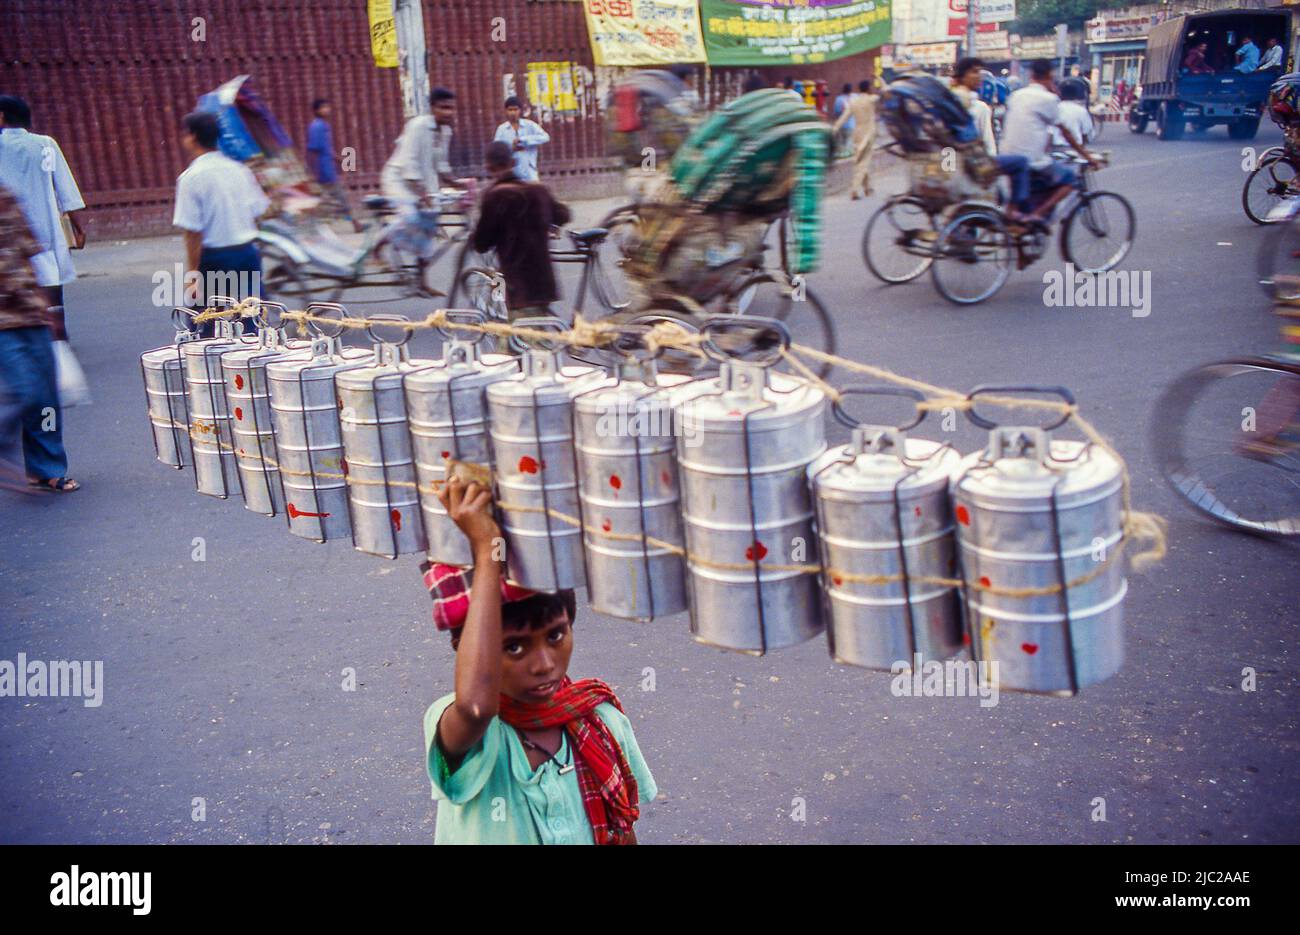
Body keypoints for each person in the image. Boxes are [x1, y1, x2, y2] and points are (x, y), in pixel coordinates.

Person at [422, 475, 657, 845]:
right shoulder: (468, 728)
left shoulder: (601, 719)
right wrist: (489, 551)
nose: (545, 664)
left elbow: (622, 828)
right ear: (469, 647)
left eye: (555, 635)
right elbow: (475, 708)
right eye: (513, 647)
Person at [0, 183, 78, 493]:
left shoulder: (6, 196)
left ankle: (46, 468)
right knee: (25, 391)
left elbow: (28, 253)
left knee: (46, 397)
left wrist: (48, 309)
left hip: (28, 310)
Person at [173, 111, 269, 337]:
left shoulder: (191, 177)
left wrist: (193, 273)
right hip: (246, 254)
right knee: (252, 322)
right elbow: (258, 212)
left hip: (215, 258)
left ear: (191, 137)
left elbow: (192, 232)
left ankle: (209, 368)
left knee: (205, 323)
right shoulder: (240, 170)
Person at [0, 96, 85, 343]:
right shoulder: (46, 144)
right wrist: (77, 228)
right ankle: (59, 332)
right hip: (45, 227)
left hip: (9, 231)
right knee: (51, 280)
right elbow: (66, 191)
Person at [470, 141, 571, 321]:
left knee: (528, 341)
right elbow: (563, 215)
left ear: (488, 166)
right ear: (513, 162)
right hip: (544, 283)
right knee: (527, 337)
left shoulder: (493, 195)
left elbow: (482, 243)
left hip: (520, 288)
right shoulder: (539, 190)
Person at [1000, 59, 1099, 223]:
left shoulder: (1016, 96)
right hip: (1030, 160)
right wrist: (1087, 156)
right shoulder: (1048, 99)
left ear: (1031, 75)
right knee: (1070, 179)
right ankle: (1039, 213)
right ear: (1050, 76)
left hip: (1007, 155)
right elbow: (1065, 131)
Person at [379, 87, 460, 259]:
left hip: (423, 185)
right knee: (411, 218)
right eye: (443, 108)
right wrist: (423, 193)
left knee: (429, 227)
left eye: (451, 108)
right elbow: (410, 163)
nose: (448, 113)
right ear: (432, 108)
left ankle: (419, 279)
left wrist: (459, 184)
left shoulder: (446, 131)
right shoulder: (417, 126)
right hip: (399, 181)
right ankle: (379, 244)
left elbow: (442, 165)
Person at [951, 57, 1032, 222]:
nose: (979, 76)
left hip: (951, 163)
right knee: (1020, 163)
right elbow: (988, 143)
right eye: (974, 72)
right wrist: (990, 169)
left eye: (980, 72)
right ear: (961, 76)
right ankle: (1013, 212)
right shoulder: (979, 107)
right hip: (973, 162)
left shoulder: (945, 100)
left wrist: (948, 168)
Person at [304, 98, 360, 231]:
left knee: (330, 198)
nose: (327, 110)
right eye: (323, 107)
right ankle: (355, 224)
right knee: (340, 197)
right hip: (323, 170)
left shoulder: (323, 126)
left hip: (327, 168)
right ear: (316, 110)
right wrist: (312, 170)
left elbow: (326, 149)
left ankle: (353, 223)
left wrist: (341, 160)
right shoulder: (317, 127)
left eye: (327, 107)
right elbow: (313, 149)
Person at [832, 79, 879, 199]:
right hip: (868, 134)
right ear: (868, 88)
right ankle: (854, 189)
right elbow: (886, 91)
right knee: (863, 162)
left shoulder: (854, 102)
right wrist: (879, 79)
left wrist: (834, 129)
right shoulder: (872, 99)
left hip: (857, 133)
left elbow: (843, 117)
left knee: (860, 160)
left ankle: (867, 188)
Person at [492, 96, 550, 183]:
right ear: (505, 111)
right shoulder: (502, 129)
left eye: (515, 110)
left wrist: (524, 140)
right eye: (510, 110)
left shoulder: (530, 125)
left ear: (520, 110)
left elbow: (545, 137)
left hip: (529, 170)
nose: (513, 113)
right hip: (511, 171)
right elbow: (496, 150)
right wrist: (511, 148)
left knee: (534, 193)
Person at [1052, 78, 1095, 148]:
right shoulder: (1081, 111)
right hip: (1075, 148)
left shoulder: (1054, 109)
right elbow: (1087, 133)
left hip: (1054, 147)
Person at [832, 82, 855, 152]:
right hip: (851, 125)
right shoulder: (854, 98)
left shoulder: (838, 99)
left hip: (841, 125)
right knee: (848, 143)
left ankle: (843, 154)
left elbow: (835, 113)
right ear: (851, 90)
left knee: (841, 143)